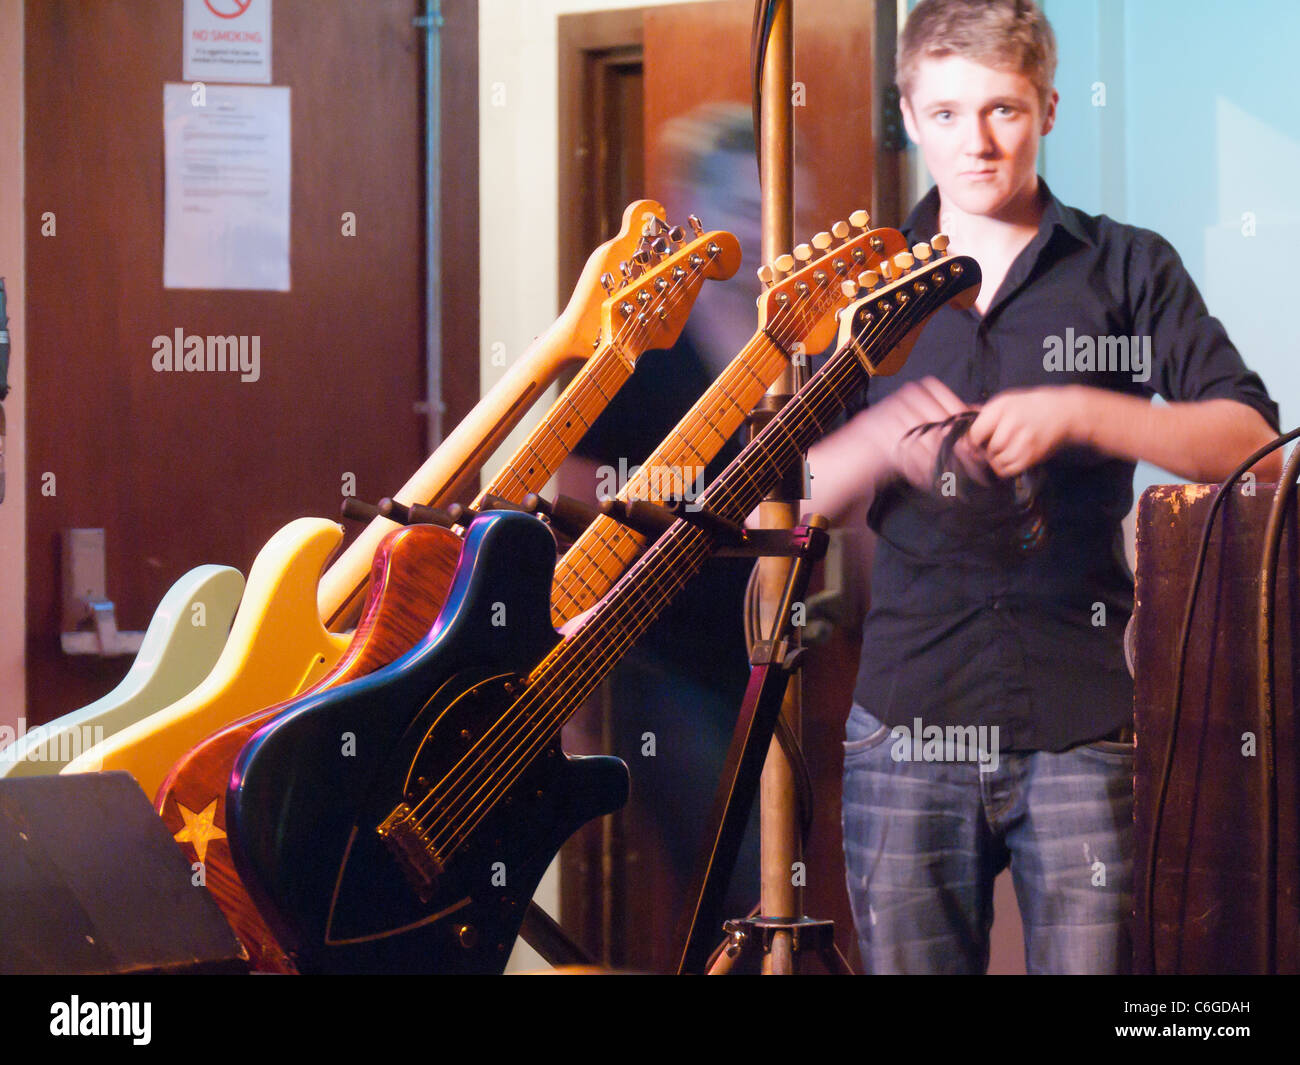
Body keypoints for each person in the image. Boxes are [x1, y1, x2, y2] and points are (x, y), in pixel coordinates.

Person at [808, 0, 1281, 974]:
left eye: (1002, 111)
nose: (974, 144)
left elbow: (1256, 447)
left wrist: (1082, 412)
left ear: (1049, 109)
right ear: (906, 114)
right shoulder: (856, 293)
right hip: (904, 727)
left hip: (1080, 722)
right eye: (944, 114)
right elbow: (789, 494)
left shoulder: (1128, 267)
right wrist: (874, 444)